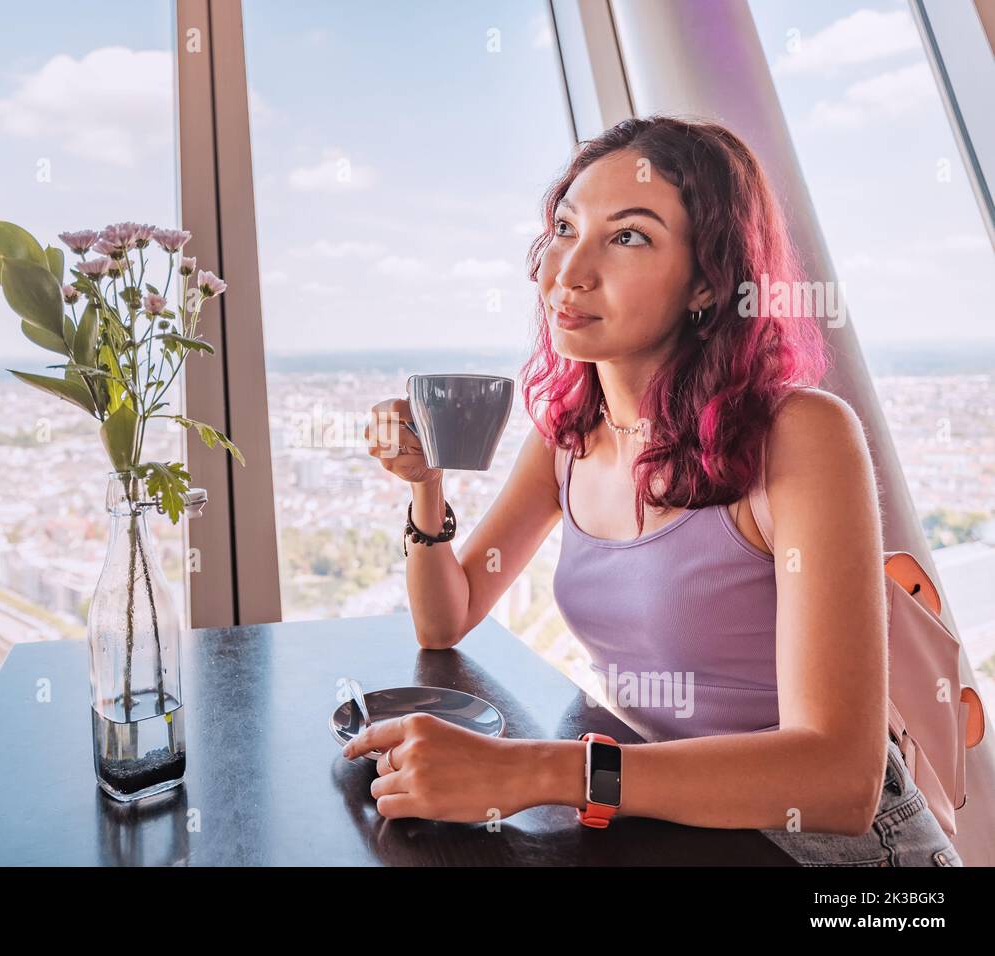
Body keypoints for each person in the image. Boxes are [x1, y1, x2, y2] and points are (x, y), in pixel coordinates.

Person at [352, 114, 963, 867]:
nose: (568, 272)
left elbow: (837, 779)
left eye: (628, 236)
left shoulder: (800, 434)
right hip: (662, 814)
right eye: (565, 228)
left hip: (835, 855)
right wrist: (425, 483)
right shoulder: (567, 438)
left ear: (708, 279)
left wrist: (537, 771)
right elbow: (446, 620)